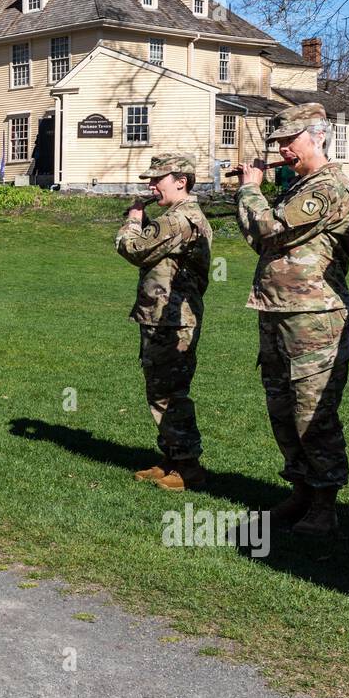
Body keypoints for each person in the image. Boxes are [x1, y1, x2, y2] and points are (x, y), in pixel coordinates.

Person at [237, 103, 349, 537]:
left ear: (318, 136)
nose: (283, 152)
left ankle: (324, 503)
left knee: (313, 412)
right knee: (282, 407)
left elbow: (268, 229)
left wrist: (250, 190)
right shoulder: (298, 187)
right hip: (278, 311)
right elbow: (264, 242)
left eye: (289, 142)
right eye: (278, 144)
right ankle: (301, 489)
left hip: (315, 318)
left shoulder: (327, 189)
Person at [116, 154, 213, 491]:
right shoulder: (177, 217)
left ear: (181, 181)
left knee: (170, 393)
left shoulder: (178, 220)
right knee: (160, 389)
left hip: (173, 321)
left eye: (158, 179)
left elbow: (132, 248)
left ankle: (188, 467)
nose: (151, 186)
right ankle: (172, 457)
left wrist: (134, 217)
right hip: (162, 317)